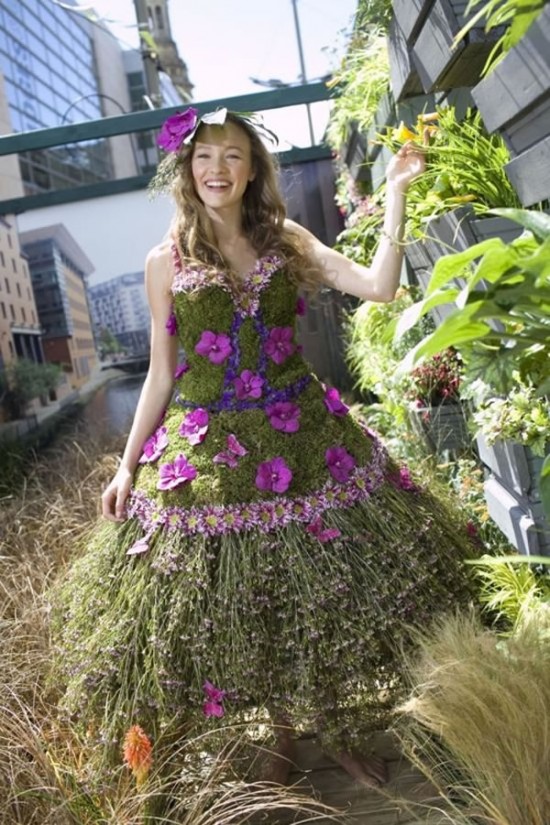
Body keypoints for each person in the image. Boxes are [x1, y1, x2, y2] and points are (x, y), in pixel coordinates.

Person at [52, 107, 474, 788]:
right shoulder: (166, 261)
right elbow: (162, 373)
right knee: (255, 593)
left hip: (304, 436)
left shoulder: (287, 239)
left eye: (234, 156)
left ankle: (336, 733)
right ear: (187, 170)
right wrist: (128, 465)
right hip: (210, 450)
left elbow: (380, 285)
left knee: (321, 590)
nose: (218, 169)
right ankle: (280, 736)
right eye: (205, 156)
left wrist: (395, 190)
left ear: (253, 170)